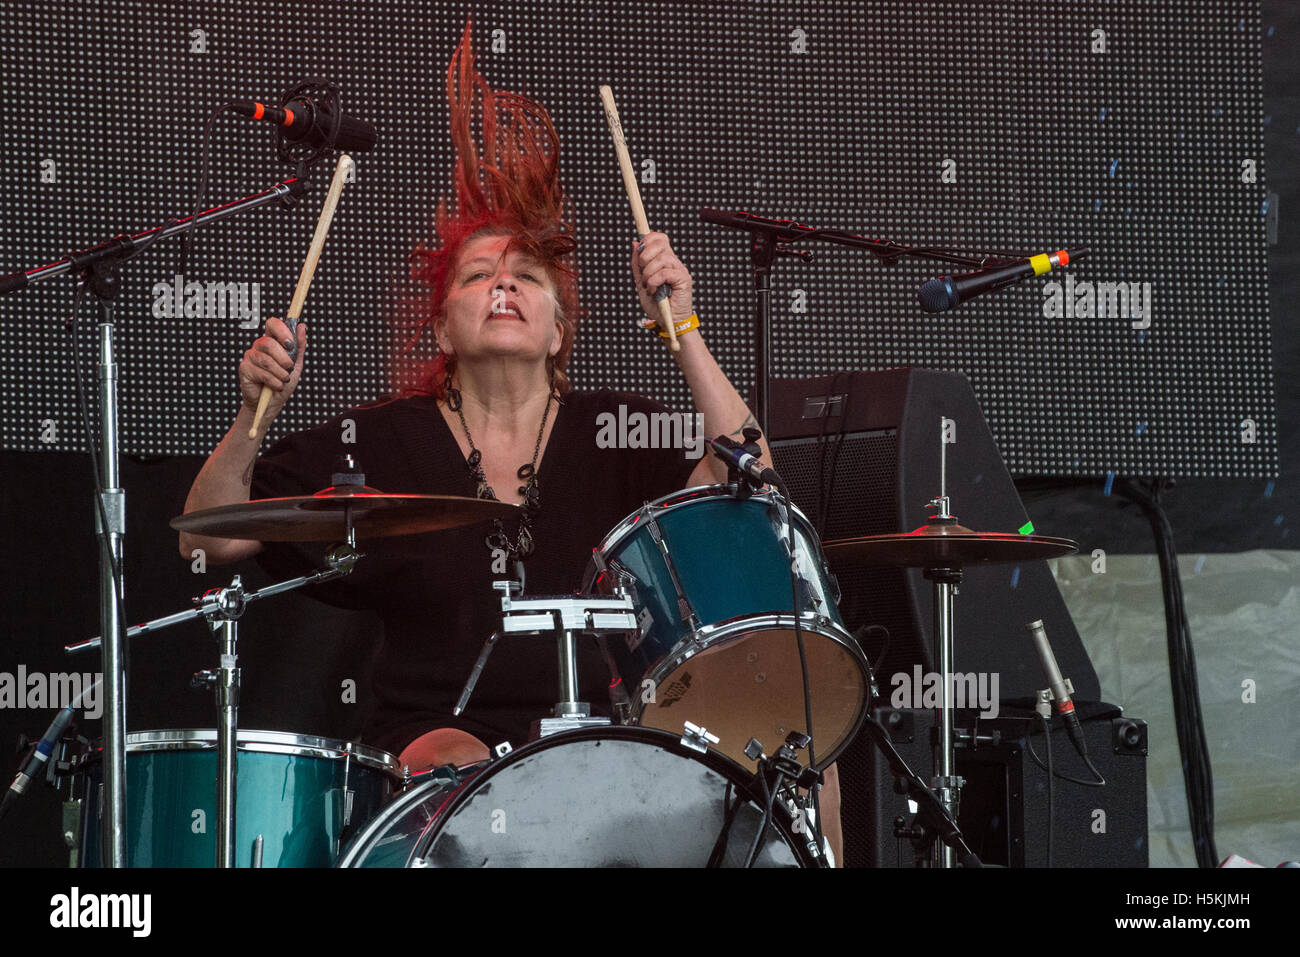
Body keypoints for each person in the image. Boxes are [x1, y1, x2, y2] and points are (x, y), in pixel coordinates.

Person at [178, 21, 841, 863]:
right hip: (433, 760)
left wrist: (685, 333)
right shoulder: (378, 440)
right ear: (443, 320)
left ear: (561, 325)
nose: (502, 285)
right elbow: (210, 534)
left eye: (527, 276)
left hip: (607, 757)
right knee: (458, 769)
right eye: (477, 274)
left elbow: (754, 471)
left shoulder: (617, 430)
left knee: (800, 756)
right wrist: (253, 415)